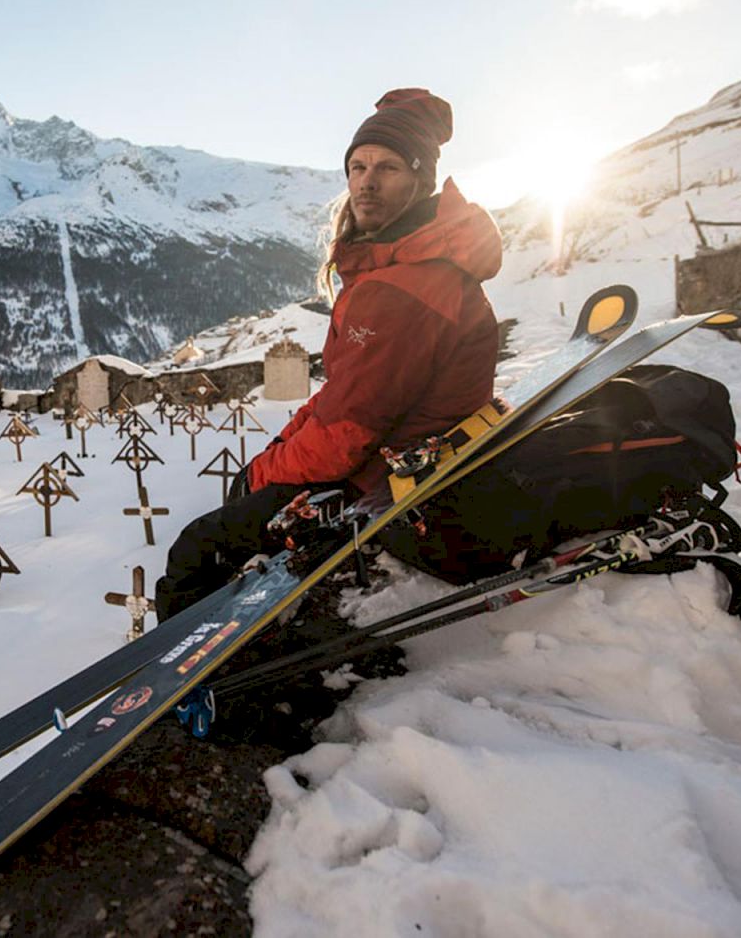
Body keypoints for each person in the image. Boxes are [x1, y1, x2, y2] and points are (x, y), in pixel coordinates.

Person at [154, 88, 503, 622]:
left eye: (387, 167)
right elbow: (342, 397)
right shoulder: (399, 266)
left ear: (420, 180)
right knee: (242, 509)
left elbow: (346, 436)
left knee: (198, 551)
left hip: (386, 483)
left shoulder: (405, 286)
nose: (366, 182)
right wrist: (277, 450)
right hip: (394, 463)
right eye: (358, 166)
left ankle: (206, 667)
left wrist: (261, 473)